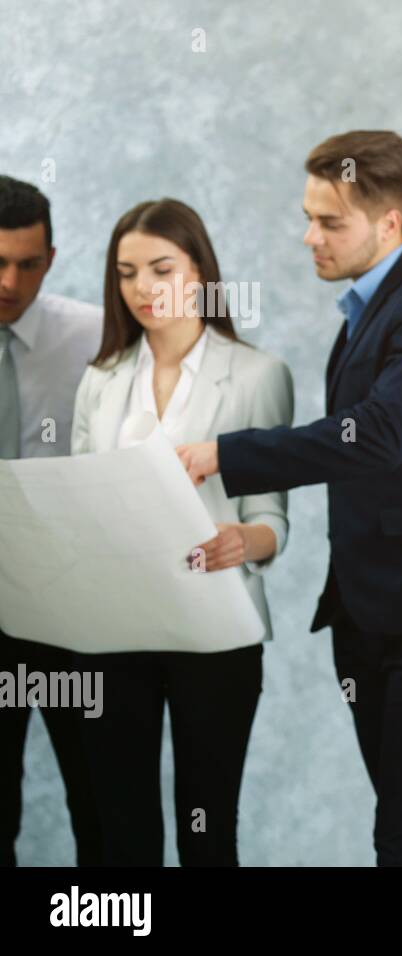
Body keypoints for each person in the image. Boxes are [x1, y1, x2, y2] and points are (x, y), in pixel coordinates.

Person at [177, 131, 402, 867]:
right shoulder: (373, 310)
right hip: (372, 613)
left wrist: (225, 456)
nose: (309, 238)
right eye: (308, 217)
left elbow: (378, 435)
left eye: (331, 223)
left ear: (389, 223)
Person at [71, 198, 292, 866]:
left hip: (215, 635)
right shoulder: (100, 380)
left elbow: (273, 522)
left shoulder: (257, 376)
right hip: (114, 631)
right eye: (127, 272)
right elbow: (82, 504)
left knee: (206, 830)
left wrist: (239, 542)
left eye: (161, 269)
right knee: (121, 831)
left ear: (198, 272)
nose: (143, 288)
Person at [0, 175, 103, 866]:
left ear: (52, 258)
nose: (10, 281)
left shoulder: (95, 336)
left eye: (28, 264)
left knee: (103, 801)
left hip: (74, 616)